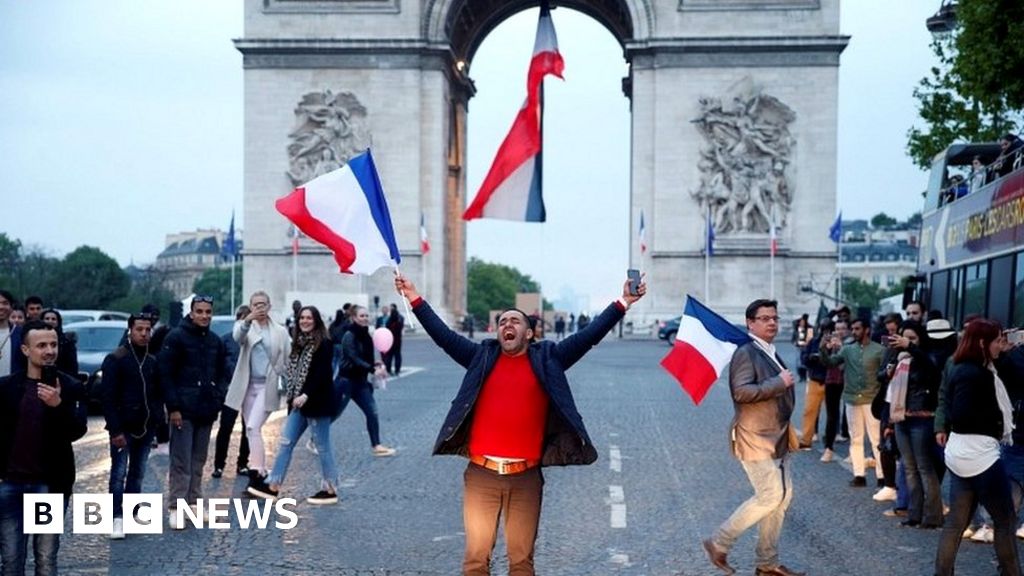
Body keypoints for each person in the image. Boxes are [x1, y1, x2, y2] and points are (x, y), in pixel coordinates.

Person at [394, 271, 646, 576]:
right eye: (502, 322)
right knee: (475, 561)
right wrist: (413, 296)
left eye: (514, 321)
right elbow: (443, 336)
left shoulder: (550, 359)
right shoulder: (480, 357)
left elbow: (588, 336)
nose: (507, 325)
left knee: (522, 562)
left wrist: (623, 302)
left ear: (529, 333)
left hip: (526, 479)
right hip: (481, 476)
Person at [703, 299, 803, 576]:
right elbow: (741, 392)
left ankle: (767, 563)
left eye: (775, 318)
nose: (772, 323)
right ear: (750, 323)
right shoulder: (746, 353)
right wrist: (779, 382)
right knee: (770, 496)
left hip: (777, 436)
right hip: (755, 436)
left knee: (782, 500)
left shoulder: (768, 350)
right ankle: (719, 542)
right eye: (764, 318)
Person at [0, 320, 87, 576]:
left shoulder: (70, 387)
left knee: (46, 560)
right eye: (41, 346)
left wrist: (58, 405)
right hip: (10, 484)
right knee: (11, 560)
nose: (49, 351)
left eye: (53, 345)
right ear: (25, 350)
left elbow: (77, 431)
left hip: (49, 486)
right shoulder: (5, 387)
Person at [934, 319, 1019, 576]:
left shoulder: (966, 367)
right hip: (980, 454)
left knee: (955, 523)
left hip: (961, 452)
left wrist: (1005, 353)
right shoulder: (975, 373)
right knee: (1005, 521)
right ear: (982, 343)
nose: (1000, 345)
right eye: (996, 341)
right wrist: (992, 422)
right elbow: (961, 415)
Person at [248, 306, 339, 504]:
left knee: (322, 446)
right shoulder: (298, 344)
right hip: (298, 404)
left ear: (316, 321)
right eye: (302, 318)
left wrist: (306, 394)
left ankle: (330, 488)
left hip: (317, 403)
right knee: (285, 442)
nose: (305, 321)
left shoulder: (324, 343)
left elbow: (322, 374)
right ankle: (273, 484)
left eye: (309, 318)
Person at [159, 295, 229, 529]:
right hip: (182, 410)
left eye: (208, 312)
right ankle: (176, 507)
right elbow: (165, 374)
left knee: (198, 460)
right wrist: (173, 407)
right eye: (199, 311)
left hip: (206, 409)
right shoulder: (175, 337)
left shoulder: (215, 341)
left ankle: (194, 503)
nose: (204, 316)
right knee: (181, 461)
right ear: (191, 313)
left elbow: (223, 372)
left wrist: (217, 397)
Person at [99, 312, 163, 539]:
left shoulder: (152, 361)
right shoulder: (115, 359)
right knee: (119, 473)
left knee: (138, 472)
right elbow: (107, 397)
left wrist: (156, 420)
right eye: (139, 329)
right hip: (122, 427)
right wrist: (115, 429)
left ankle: (131, 514)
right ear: (130, 331)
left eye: (148, 330)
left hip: (146, 427)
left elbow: (157, 393)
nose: (144, 334)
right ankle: (116, 517)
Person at [224, 293, 290, 490]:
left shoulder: (280, 331)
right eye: (256, 305)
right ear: (251, 307)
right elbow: (238, 337)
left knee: (253, 427)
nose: (260, 308)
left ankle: (257, 471)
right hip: (247, 385)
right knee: (251, 430)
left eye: (263, 304)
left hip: (268, 385)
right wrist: (247, 320)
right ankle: (258, 470)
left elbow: (288, 358)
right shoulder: (245, 326)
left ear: (269, 306)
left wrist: (286, 378)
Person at [885, 321, 943, 528]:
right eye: (903, 338)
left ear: (920, 339)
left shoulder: (928, 357)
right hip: (901, 418)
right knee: (909, 468)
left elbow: (932, 370)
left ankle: (933, 516)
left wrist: (910, 348)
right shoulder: (898, 357)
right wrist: (893, 362)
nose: (906, 341)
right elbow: (882, 379)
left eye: (912, 338)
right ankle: (914, 514)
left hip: (922, 418)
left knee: (924, 467)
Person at [823, 318, 885, 487]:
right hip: (852, 399)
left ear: (867, 330)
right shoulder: (847, 349)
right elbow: (830, 363)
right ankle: (859, 475)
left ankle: (882, 476)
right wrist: (823, 348)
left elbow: (885, 374)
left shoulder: (879, 350)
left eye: (857, 328)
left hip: (871, 400)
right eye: (853, 329)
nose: (854, 332)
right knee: (855, 438)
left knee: (876, 439)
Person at [335, 305, 396, 457]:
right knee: (334, 413)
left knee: (372, 412)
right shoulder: (349, 335)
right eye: (361, 316)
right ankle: (314, 438)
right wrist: (372, 369)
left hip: (360, 382)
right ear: (354, 318)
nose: (365, 318)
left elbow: (364, 357)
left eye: (366, 316)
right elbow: (353, 358)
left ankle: (376, 445)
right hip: (346, 381)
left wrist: (375, 363)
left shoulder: (367, 335)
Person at [212, 304, 252, 479]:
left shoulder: (253, 341)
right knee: (225, 428)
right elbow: (218, 367)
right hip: (230, 389)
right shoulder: (225, 340)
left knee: (248, 429)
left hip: (249, 389)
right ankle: (219, 465)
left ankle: (242, 463)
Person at [40, 309, 79, 378]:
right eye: (47, 318)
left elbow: (72, 366)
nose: (50, 321)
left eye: (53, 319)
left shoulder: (66, 342)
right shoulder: (35, 339)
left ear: (58, 322)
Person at [0, 290, 26, 378]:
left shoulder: (21, 333)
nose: (1, 307)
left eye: (5, 303)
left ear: (11, 307)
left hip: (13, 383)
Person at [382, 303, 404, 375]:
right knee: (397, 355)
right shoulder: (399, 322)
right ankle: (397, 369)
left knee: (389, 356)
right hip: (397, 341)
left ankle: (388, 369)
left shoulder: (389, 322)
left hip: (390, 340)